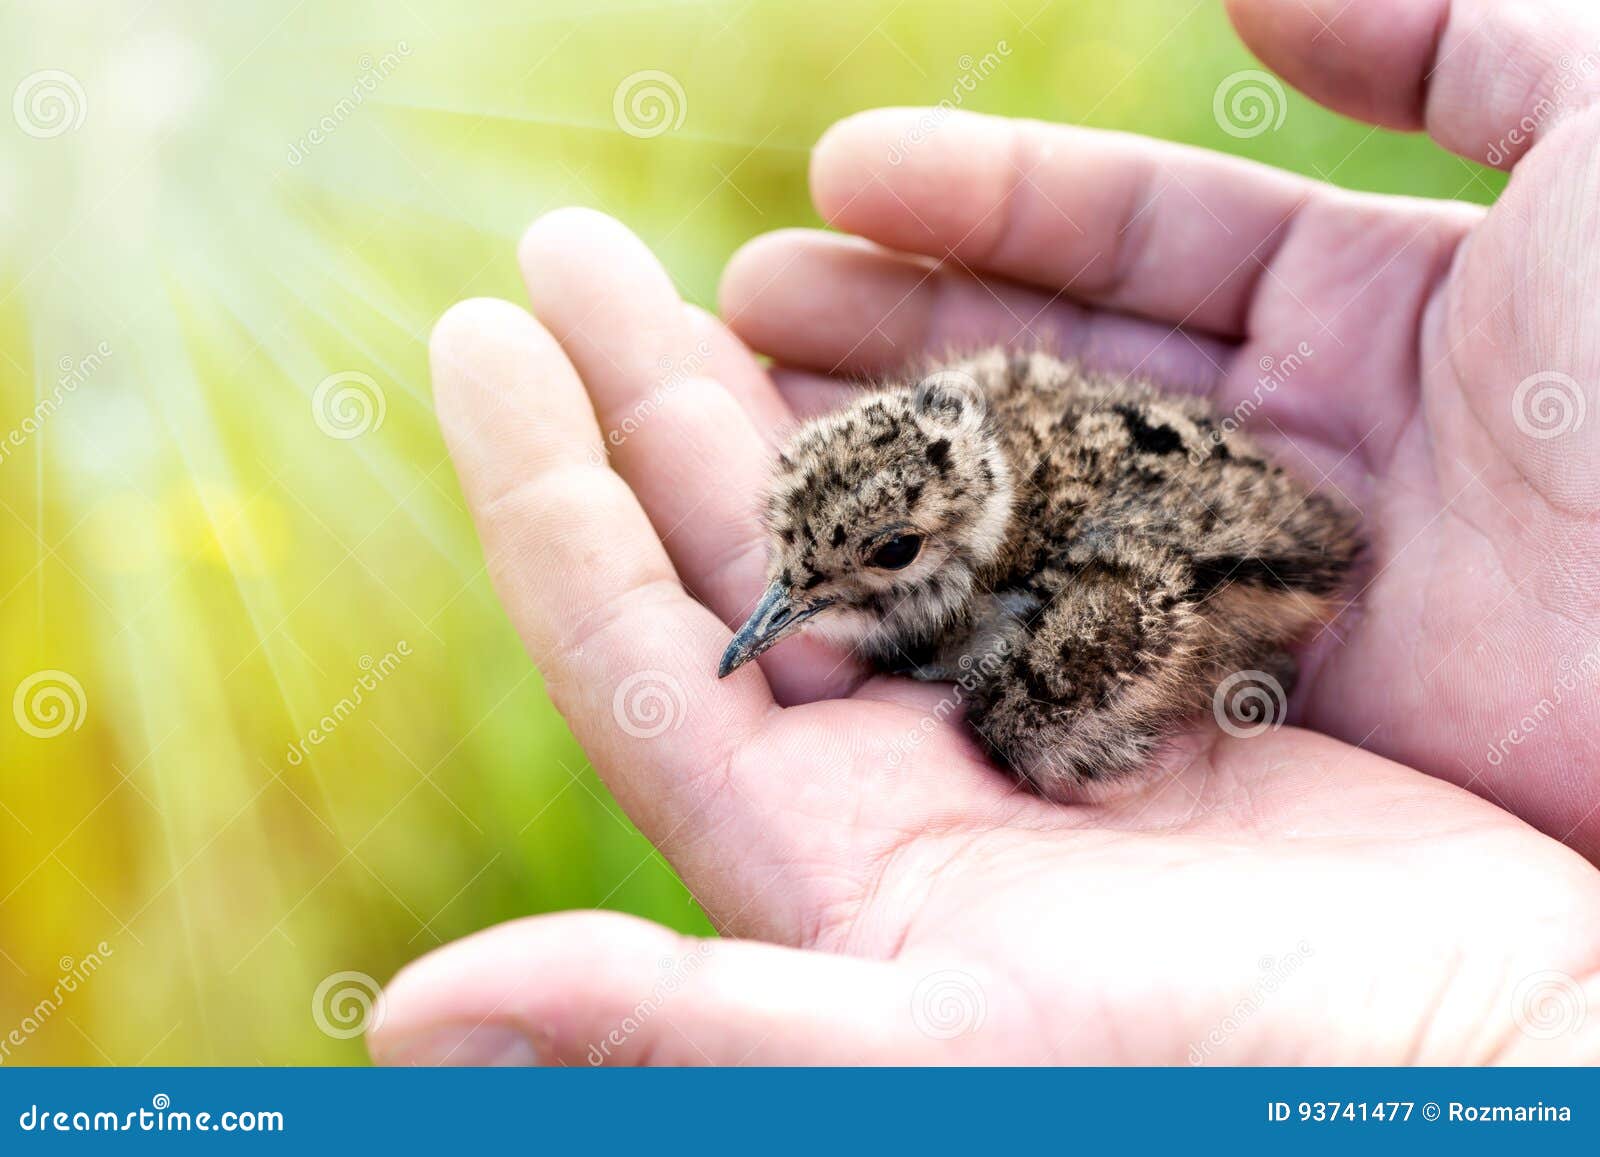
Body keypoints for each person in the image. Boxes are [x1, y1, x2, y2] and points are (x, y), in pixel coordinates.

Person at [368, 0, 1600, 1065]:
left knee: (1022, 712)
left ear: (955, 536)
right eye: (795, 568)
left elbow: (1104, 598)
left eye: (883, 559)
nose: (786, 607)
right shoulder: (978, 441)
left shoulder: (1047, 575)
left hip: (1213, 549)